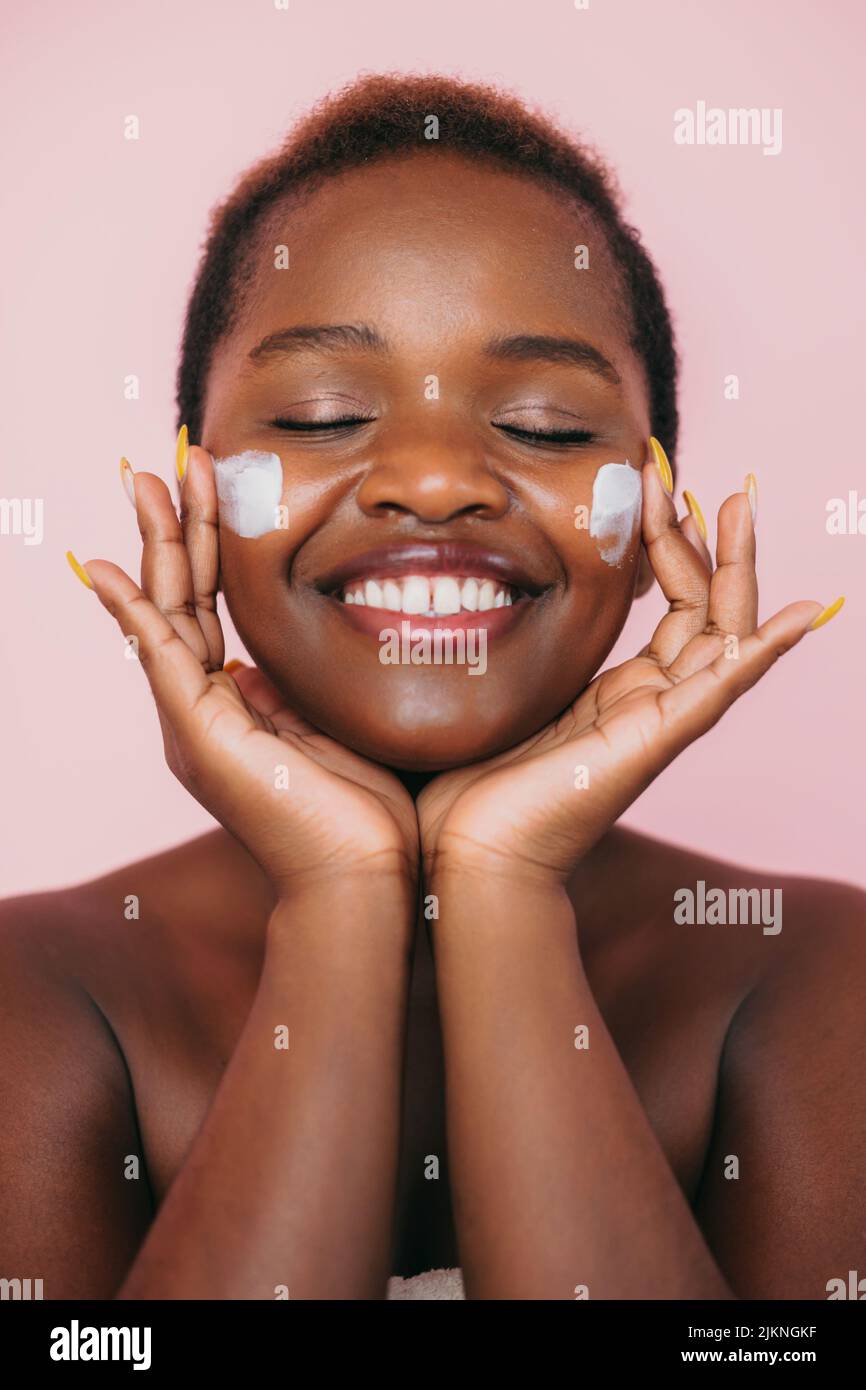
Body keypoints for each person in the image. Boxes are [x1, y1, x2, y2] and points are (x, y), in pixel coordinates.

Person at [3, 73, 860, 1301]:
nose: (433, 479)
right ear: (189, 493)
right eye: (324, 411)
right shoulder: (39, 988)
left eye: (549, 428)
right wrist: (338, 892)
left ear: (658, 515)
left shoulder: (812, 971)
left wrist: (503, 889)